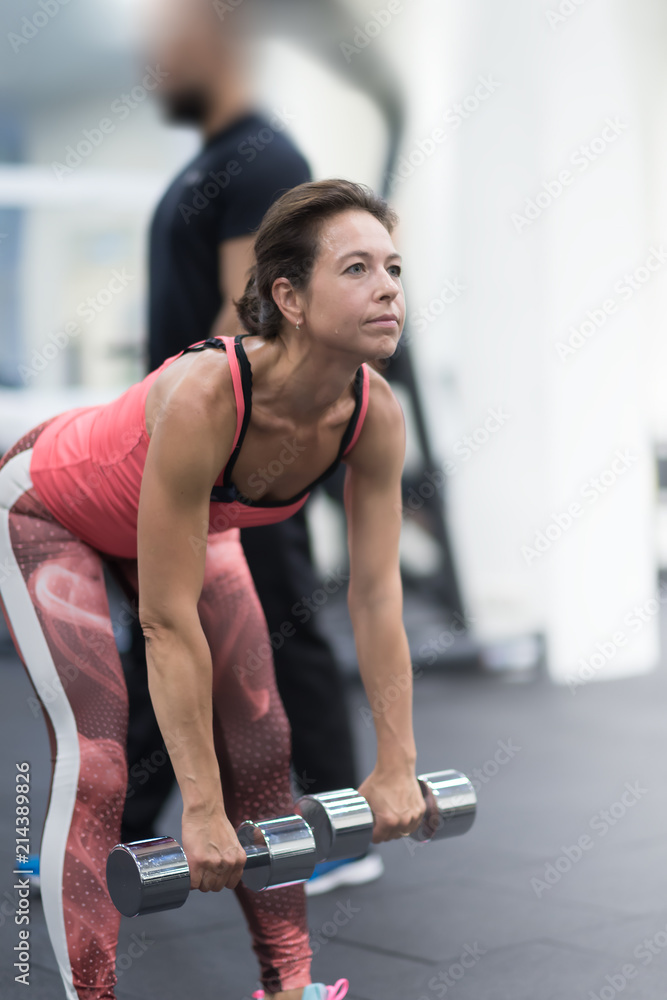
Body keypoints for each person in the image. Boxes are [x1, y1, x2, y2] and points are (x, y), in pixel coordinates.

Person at [0, 178, 425, 1000]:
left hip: (191, 528)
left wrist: (396, 764)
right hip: (49, 508)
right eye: (357, 269)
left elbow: (375, 598)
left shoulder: (372, 414)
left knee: (263, 745)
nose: (387, 289)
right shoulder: (207, 394)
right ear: (288, 298)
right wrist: (199, 807)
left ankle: (290, 987)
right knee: (99, 762)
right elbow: (164, 621)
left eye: (394, 269)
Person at [116, 0, 379, 897]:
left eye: (172, 38)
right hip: (187, 440)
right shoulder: (212, 157)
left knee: (279, 620)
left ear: (218, 38)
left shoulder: (266, 158)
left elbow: (246, 311)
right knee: (164, 626)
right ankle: (121, 828)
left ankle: (342, 825)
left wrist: (208, 418)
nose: (156, 60)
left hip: (241, 442)